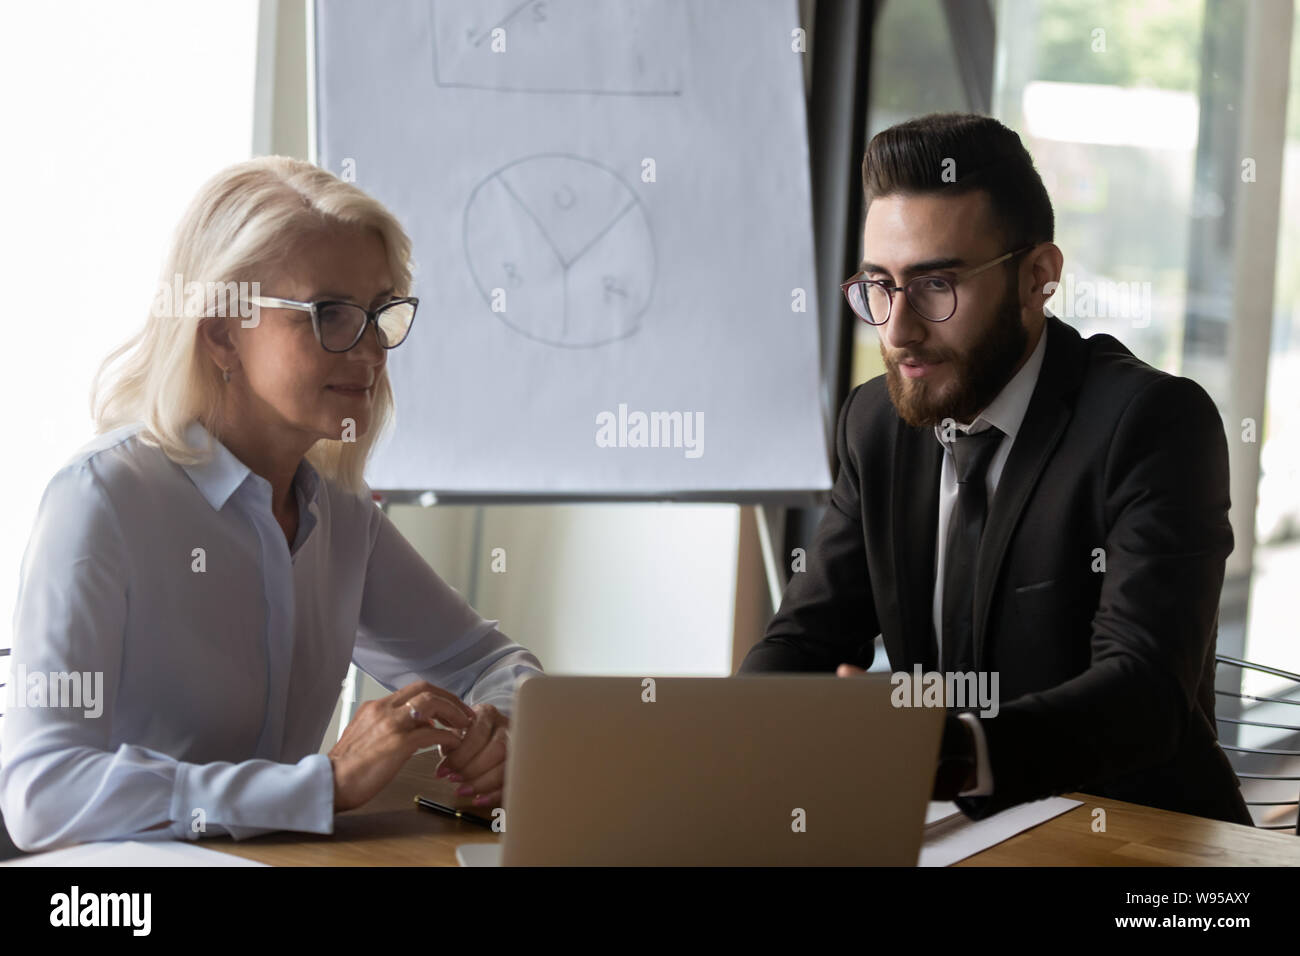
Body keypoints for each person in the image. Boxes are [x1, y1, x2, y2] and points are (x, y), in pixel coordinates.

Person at [0, 156, 543, 852]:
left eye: (379, 313)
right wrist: (323, 786)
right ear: (222, 332)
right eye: (330, 314)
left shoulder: (342, 514)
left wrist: (500, 727)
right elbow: (41, 791)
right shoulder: (102, 499)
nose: (371, 351)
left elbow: (488, 663)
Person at [739, 112, 1251, 826]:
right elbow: (805, 639)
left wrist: (950, 756)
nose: (897, 330)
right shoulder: (876, 423)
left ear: (1037, 277)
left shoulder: (1152, 424)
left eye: (936, 284)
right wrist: (736, 738)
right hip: (954, 833)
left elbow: (1144, 693)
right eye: (879, 285)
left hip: (1134, 839)